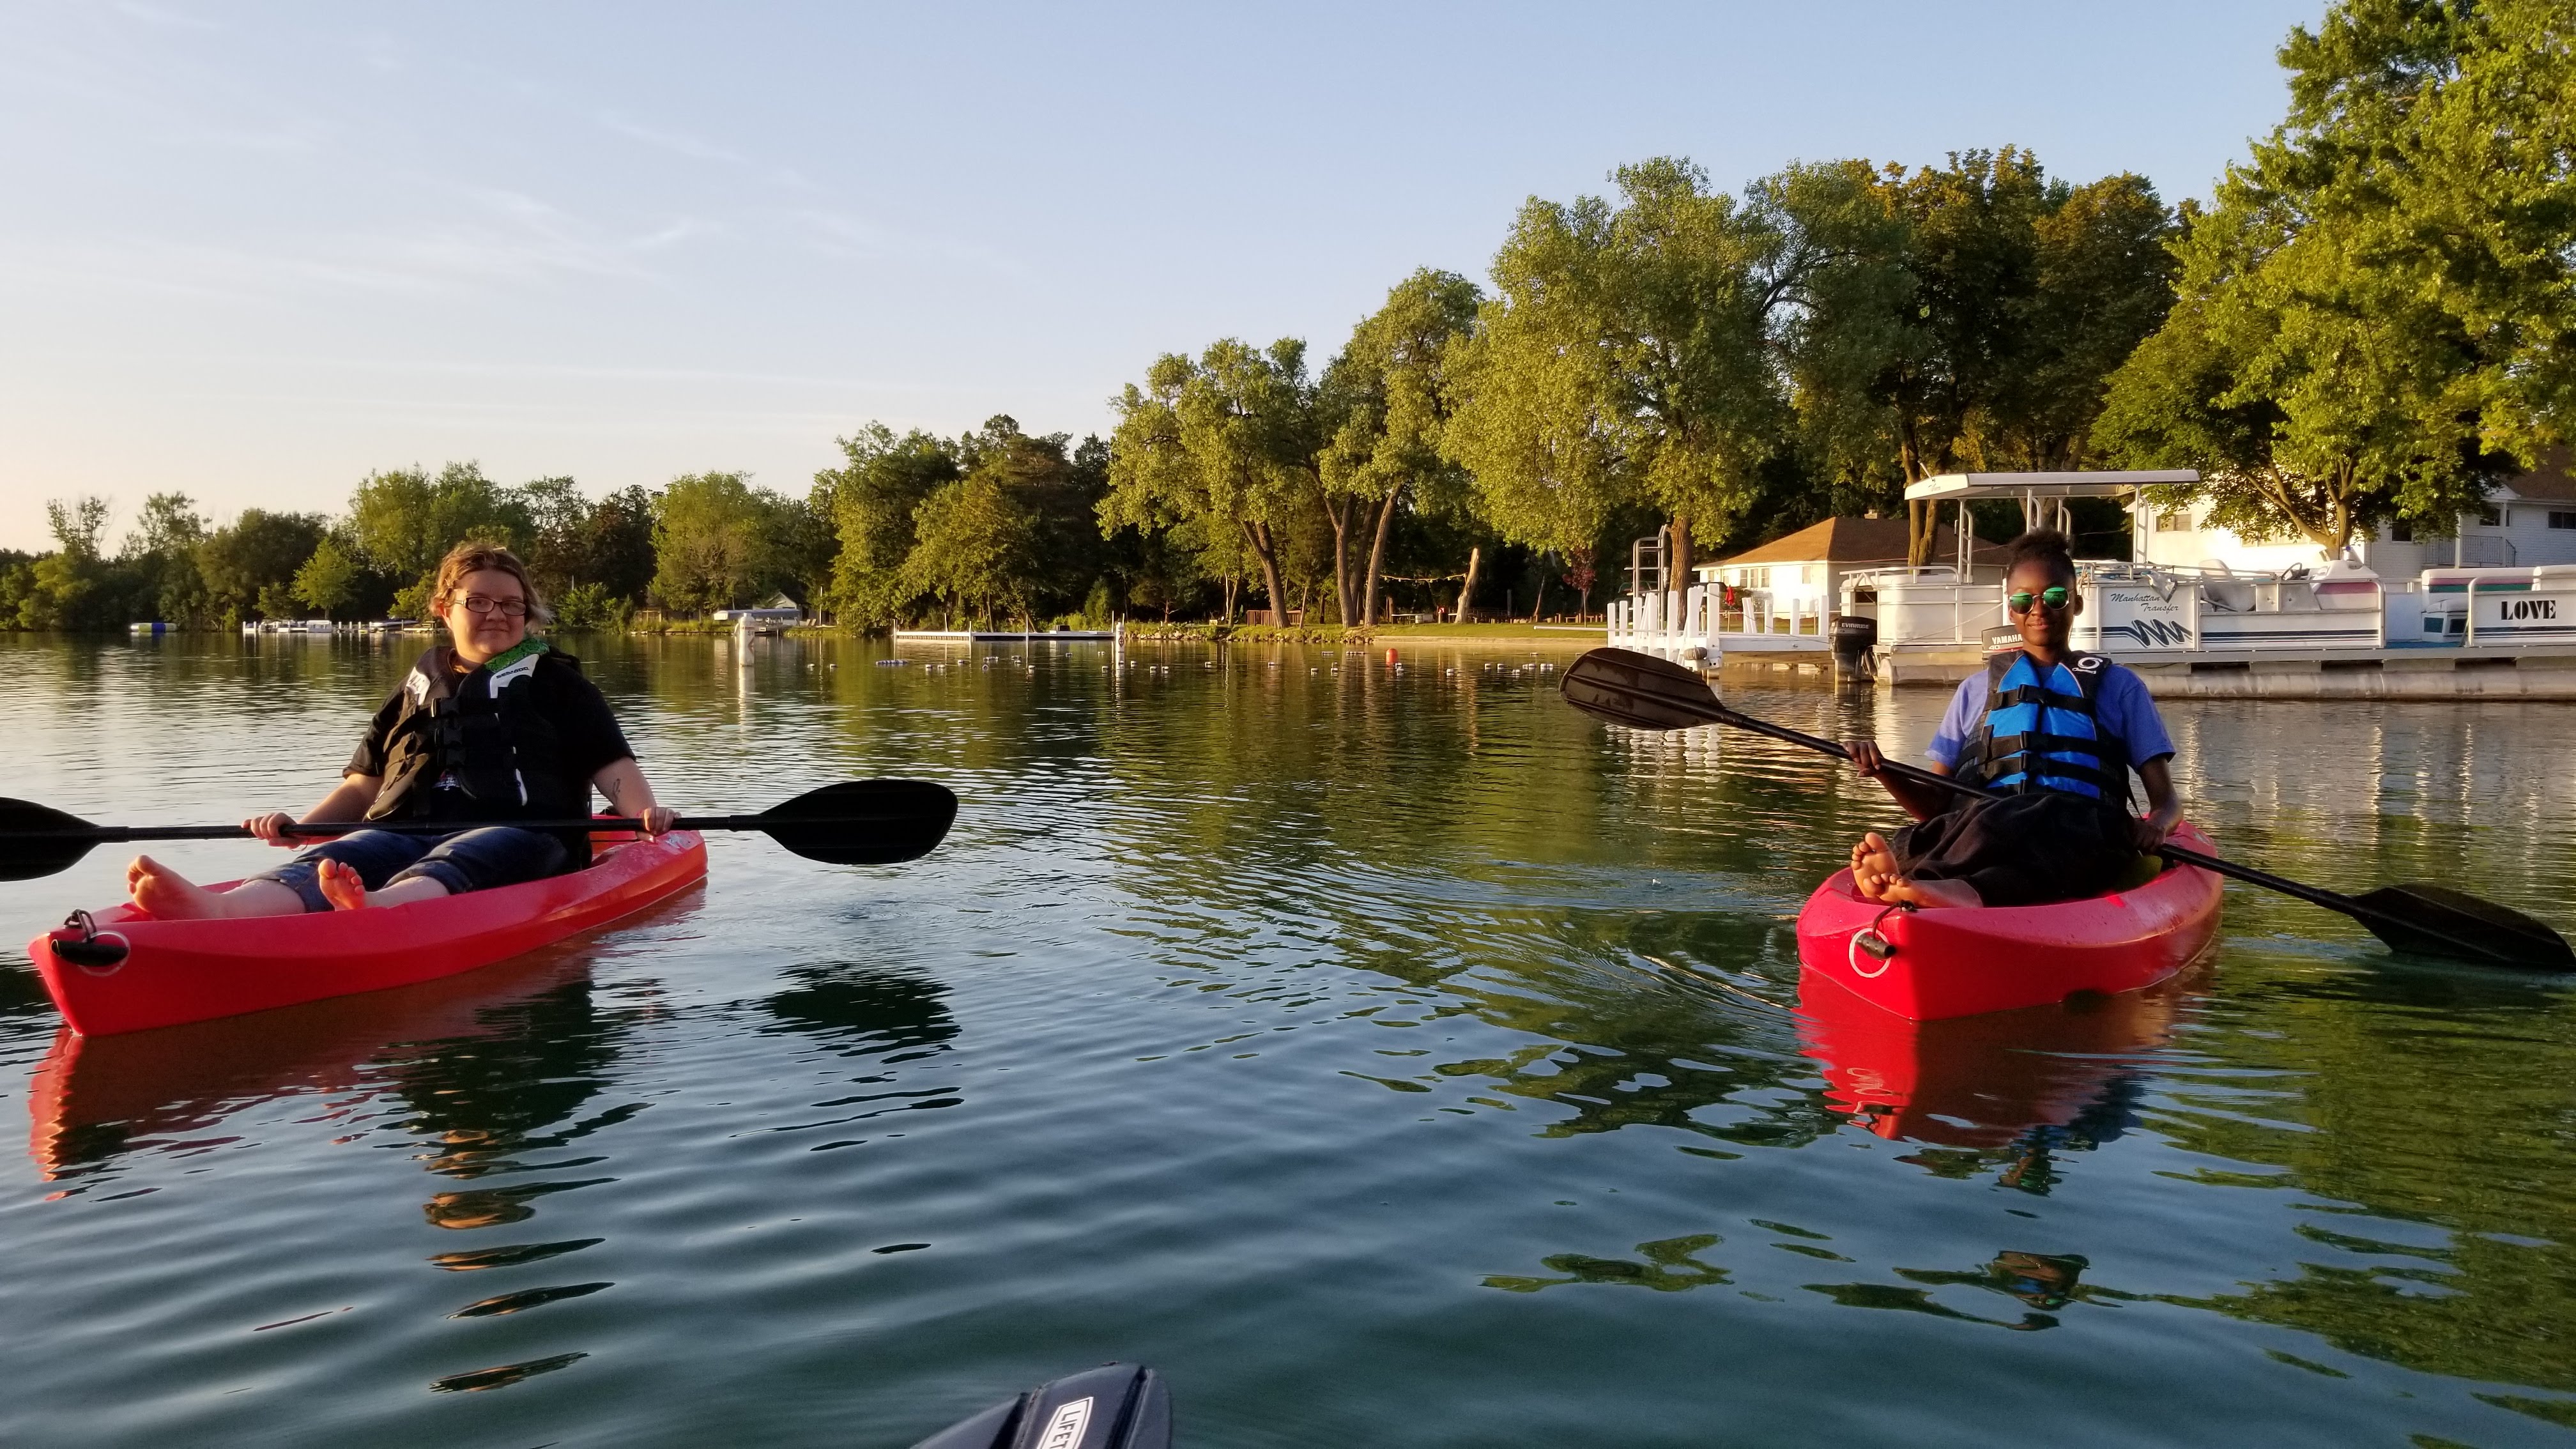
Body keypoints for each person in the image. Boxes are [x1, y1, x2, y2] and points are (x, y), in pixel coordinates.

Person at [126, 542, 676, 918]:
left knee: (474, 852)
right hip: (408, 830)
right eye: (478, 601)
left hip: (526, 834)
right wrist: (300, 827)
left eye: (512, 604)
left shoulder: (557, 682)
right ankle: (224, 910)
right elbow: (364, 785)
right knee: (347, 852)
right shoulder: (416, 686)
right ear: (445, 608)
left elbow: (613, 765)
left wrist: (644, 813)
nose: (497, 614)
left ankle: (380, 910)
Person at [1843, 529, 2182, 909]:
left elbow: (2167, 802)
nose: (2039, 610)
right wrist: (1884, 770)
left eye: (2055, 597)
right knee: (1986, 820)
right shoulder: (1974, 690)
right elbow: (1936, 805)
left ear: (2078, 602)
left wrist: (2155, 828)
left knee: (2038, 821)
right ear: (2010, 610)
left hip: (2081, 830)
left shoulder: (2120, 687)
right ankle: (1934, 887)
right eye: (2024, 600)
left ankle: (1932, 882)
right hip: (1988, 828)